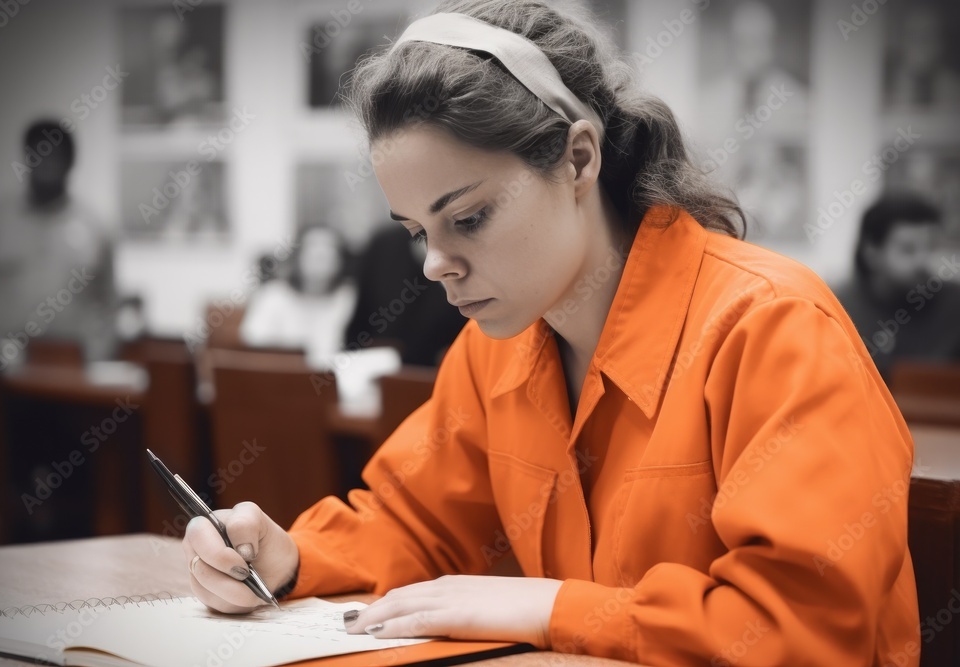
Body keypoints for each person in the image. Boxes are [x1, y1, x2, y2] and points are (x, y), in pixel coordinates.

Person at [184, 2, 919, 664]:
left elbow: (807, 629)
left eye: (468, 217)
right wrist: (290, 558)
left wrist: (551, 608)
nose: (435, 264)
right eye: (417, 231)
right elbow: (413, 521)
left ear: (579, 159)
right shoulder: (493, 348)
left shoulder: (774, 327)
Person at [0, 119, 118, 364]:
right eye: (40, 153)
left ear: (71, 162)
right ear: (27, 158)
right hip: (1, 365)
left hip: (72, 364)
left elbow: (108, 301)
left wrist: (99, 354)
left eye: (56, 155)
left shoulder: (95, 228)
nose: (47, 163)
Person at [835, 194, 960, 382]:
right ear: (872, 252)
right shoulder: (839, 309)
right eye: (908, 249)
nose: (922, 260)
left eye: (931, 247)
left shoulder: (954, 306)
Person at [344, 223, 467, 366]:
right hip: (385, 369)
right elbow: (360, 322)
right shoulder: (384, 244)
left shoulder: (460, 237)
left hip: (449, 365)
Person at [239, 224, 356, 366]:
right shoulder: (273, 295)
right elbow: (253, 344)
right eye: (313, 246)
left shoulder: (348, 297)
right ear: (297, 256)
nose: (321, 253)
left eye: (330, 247)